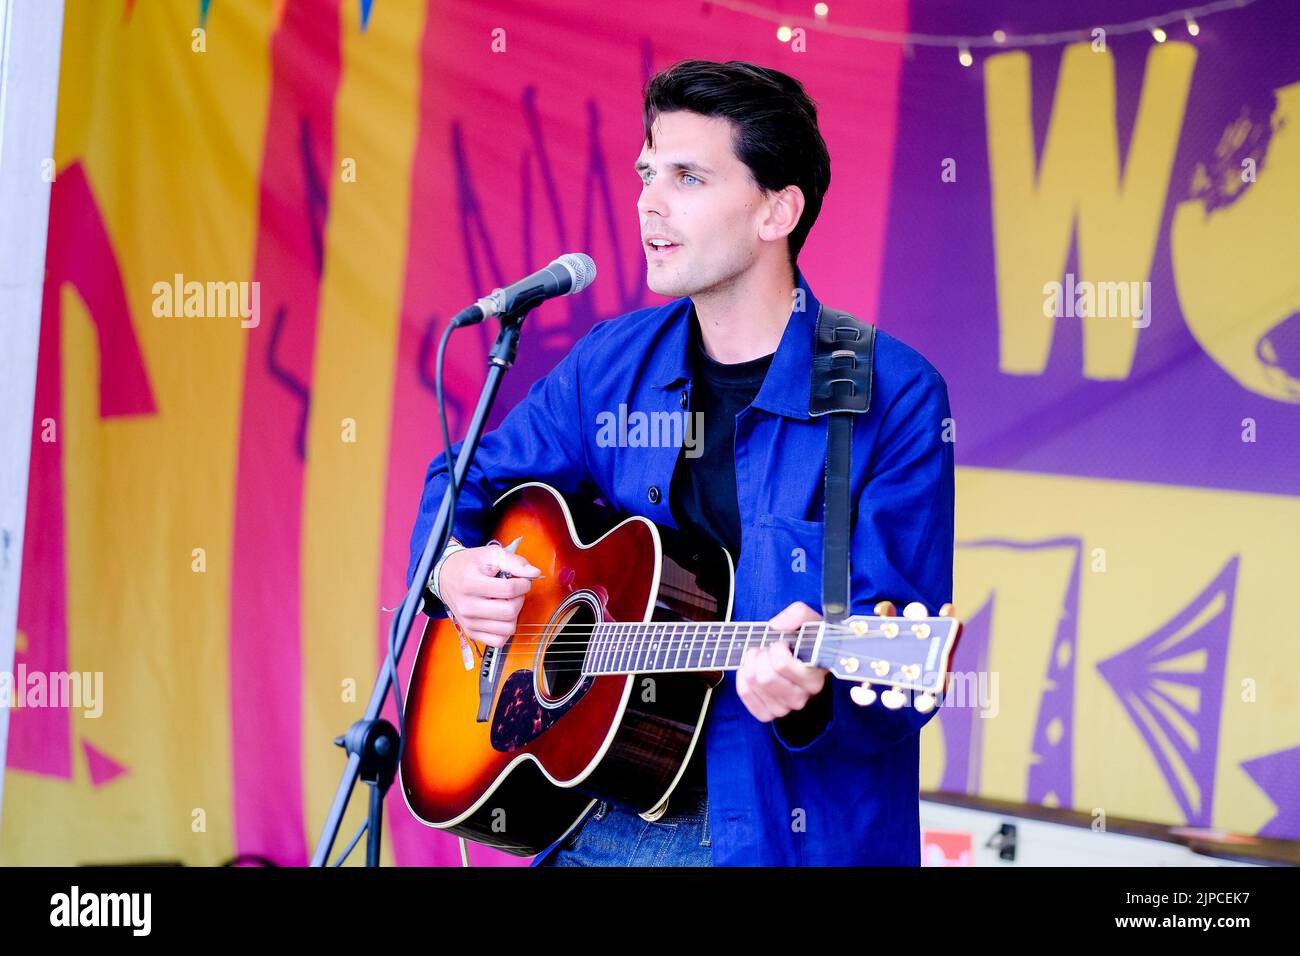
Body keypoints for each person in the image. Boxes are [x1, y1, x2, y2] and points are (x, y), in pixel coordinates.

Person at [407, 59, 955, 866]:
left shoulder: (888, 394)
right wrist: (451, 569)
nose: (648, 204)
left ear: (778, 210)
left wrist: (806, 700)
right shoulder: (610, 365)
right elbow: (464, 481)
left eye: (688, 177)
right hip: (591, 819)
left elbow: (896, 691)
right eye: (645, 173)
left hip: (778, 831)